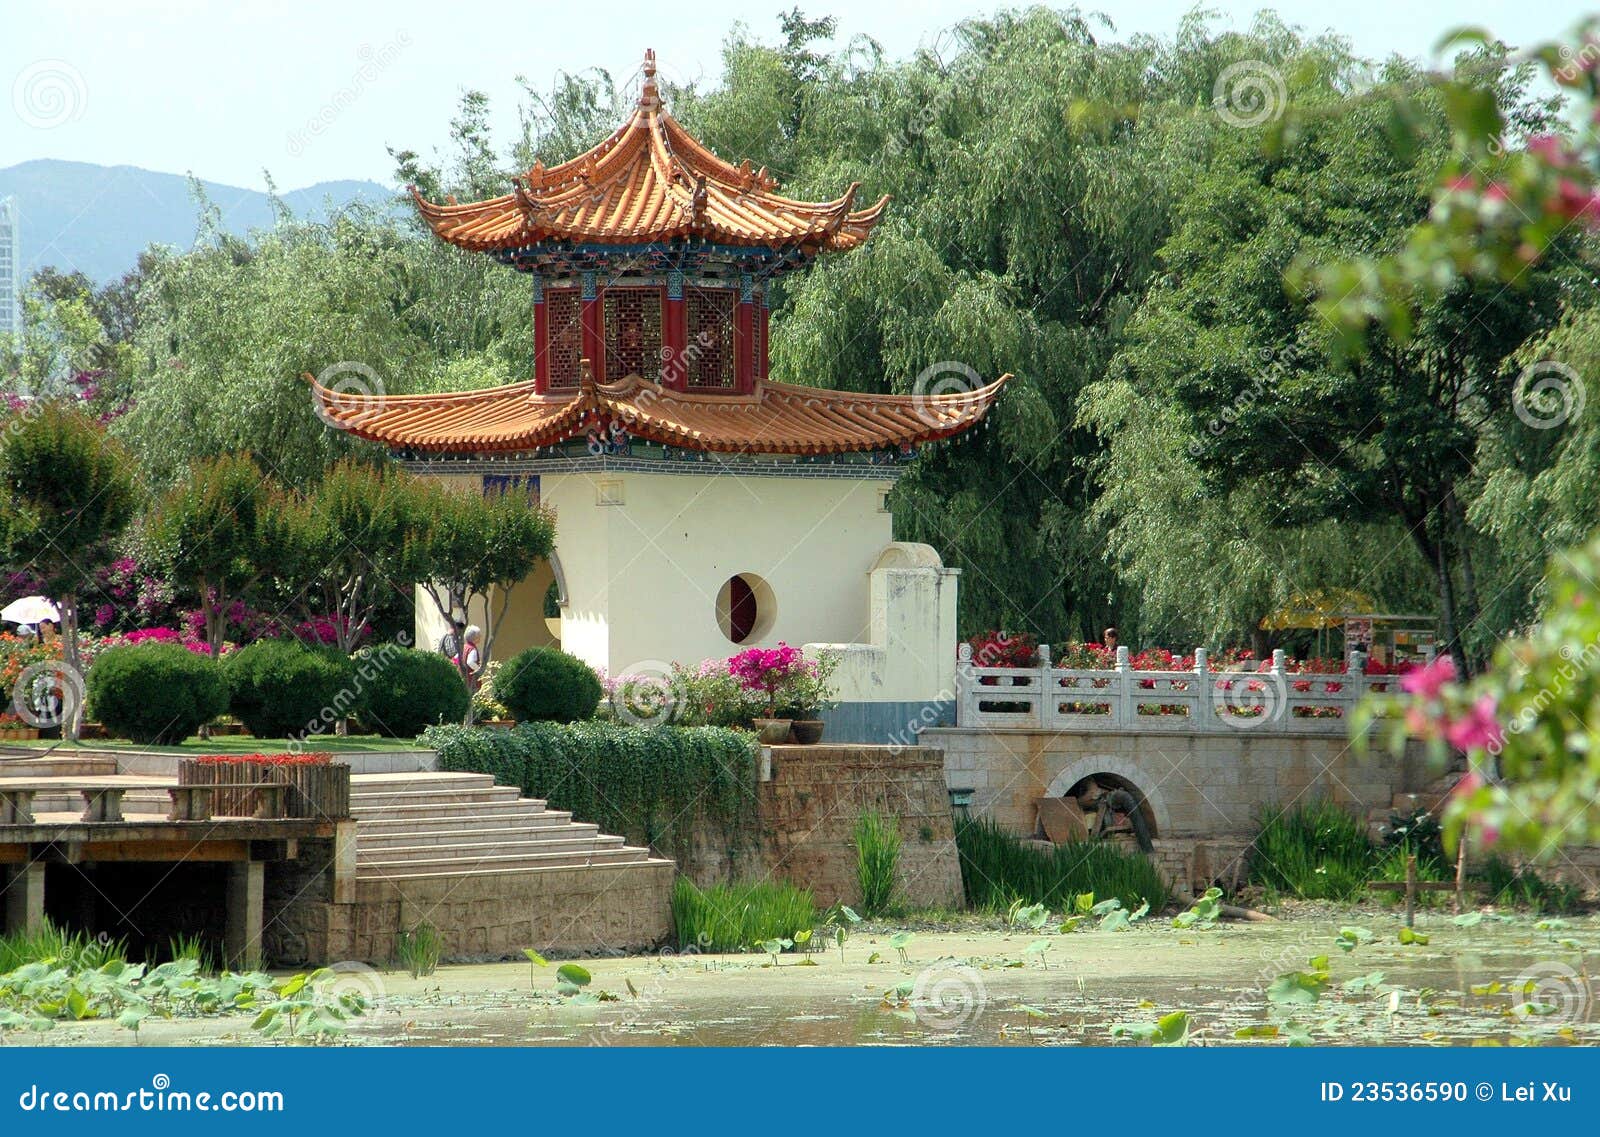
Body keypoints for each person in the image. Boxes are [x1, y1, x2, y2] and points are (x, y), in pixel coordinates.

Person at [454, 625, 484, 691]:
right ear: (475, 638)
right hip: (471, 681)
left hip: (463, 679)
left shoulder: (464, 647)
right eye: (479, 635)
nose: (480, 637)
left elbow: (455, 660)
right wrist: (479, 669)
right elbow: (470, 662)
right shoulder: (472, 649)